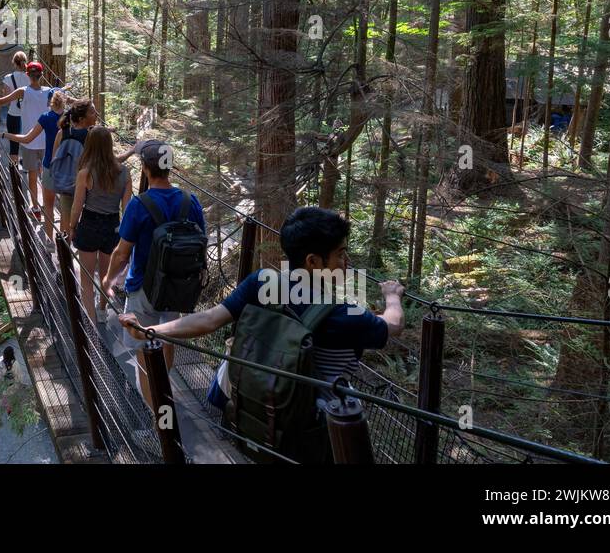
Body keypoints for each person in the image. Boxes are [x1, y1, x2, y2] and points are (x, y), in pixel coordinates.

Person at [120, 206, 404, 450]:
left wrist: (152, 330)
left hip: (250, 403)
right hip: (311, 426)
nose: (347, 262)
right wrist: (392, 296)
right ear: (313, 261)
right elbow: (393, 325)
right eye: (341, 254)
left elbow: (208, 320)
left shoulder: (262, 282)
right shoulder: (344, 315)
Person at [103, 139, 205, 409]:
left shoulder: (139, 205)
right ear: (169, 166)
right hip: (178, 286)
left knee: (143, 350)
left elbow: (122, 253)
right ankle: (164, 385)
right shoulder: (190, 201)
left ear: (145, 169)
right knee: (166, 335)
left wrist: (109, 279)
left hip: (144, 288)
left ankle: (157, 420)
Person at [66, 126, 132, 321]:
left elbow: (77, 207)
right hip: (112, 226)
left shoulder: (85, 173)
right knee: (106, 274)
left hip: (89, 225)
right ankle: (102, 310)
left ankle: (91, 320)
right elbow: (126, 209)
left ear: (90, 146)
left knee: (86, 279)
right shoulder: (125, 173)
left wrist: (71, 227)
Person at [0, 61, 55, 219]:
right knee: (46, 174)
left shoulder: (23, 91)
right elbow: (66, 102)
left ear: (27, 75)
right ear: (41, 76)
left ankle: (35, 208)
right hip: (47, 142)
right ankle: (49, 207)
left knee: (32, 175)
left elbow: (1, 101)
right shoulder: (49, 92)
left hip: (29, 141)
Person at [0, 90, 68, 240]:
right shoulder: (70, 119)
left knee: (48, 206)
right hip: (67, 169)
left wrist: (5, 134)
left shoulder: (46, 118)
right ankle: (64, 242)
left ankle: (49, 240)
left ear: (49, 102)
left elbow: (27, 139)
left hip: (50, 165)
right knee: (64, 207)